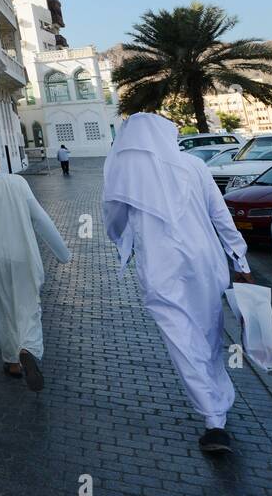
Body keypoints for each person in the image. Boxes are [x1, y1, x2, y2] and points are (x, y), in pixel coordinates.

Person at [102, 113, 254, 454]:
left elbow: (113, 221)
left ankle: (215, 418)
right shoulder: (194, 166)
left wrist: (123, 240)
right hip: (205, 263)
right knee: (208, 334)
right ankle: (217, 408)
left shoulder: (125, 175)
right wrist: (239, 259)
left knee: (182, 340)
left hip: (161, 269)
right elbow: (221, 215)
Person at [0, 139, 71, 390]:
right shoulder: (17, 183)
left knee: (1, 311)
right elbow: (40, 219)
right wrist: (62, 253)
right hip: (23, 257)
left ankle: (11, 362)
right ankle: (28, 349)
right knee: (28, 307)